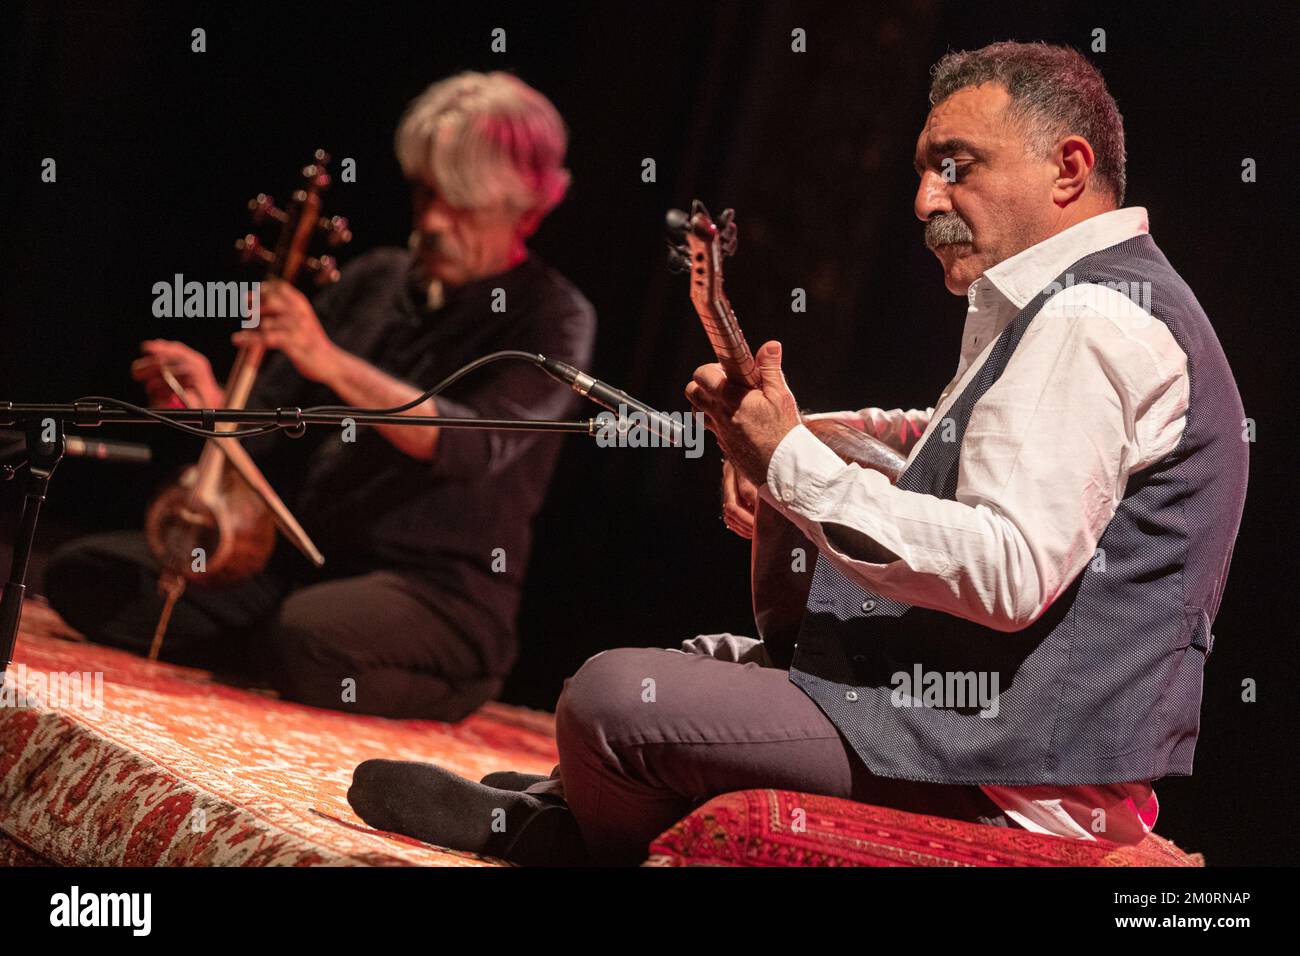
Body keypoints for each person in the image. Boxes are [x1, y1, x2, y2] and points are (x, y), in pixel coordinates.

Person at [346, 42, 1247, 865]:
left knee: (615, 701)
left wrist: (792, 466)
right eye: (926, 172)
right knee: (706, 658)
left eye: (956, 167)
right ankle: (565, 807)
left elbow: (1008, 572)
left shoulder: (1091, 319)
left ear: (1068, 167)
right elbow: (955, 444)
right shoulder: (1089, 302)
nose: (927, 200)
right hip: (978, 721)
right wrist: (802, 433)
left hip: (1012, 766)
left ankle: (566, 836)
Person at [44, 72, 596, 722]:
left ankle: (437, 680)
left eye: (462, 205)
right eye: (425, 194)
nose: (432, 222)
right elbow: (267, 435)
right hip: (298, 568)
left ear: (529, 207)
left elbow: (472, 443)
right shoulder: (375, 277)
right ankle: (278, 654)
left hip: (435, 594)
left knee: (310, 637)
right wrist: (209, 401)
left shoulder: (554, 317)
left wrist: (331, 362)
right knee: (89, 574)